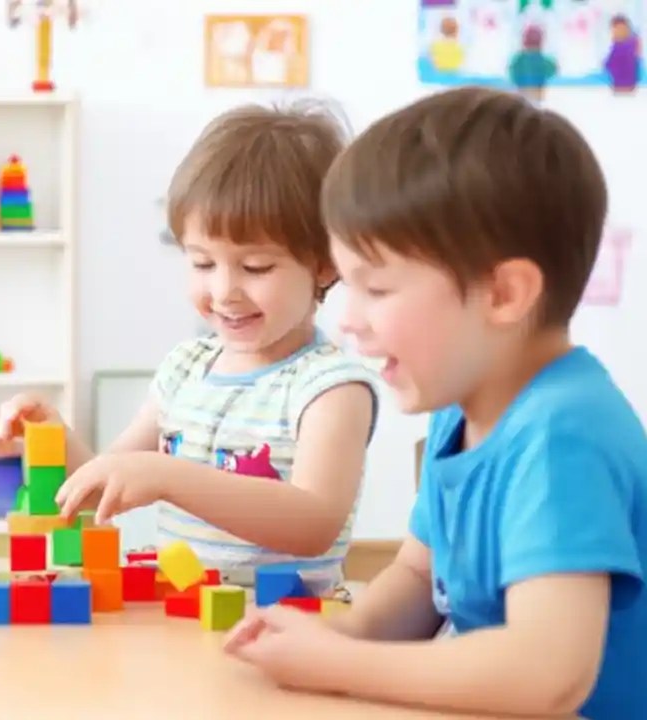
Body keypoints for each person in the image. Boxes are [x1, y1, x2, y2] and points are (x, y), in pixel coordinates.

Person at [224, 86, 647, 720]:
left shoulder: (563, 434)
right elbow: (420, 580)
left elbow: (548, 673)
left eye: (377, 288)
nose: (350, 324)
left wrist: (339, 664)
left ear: (503, 294)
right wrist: (336, 638)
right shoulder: (463, 407)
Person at [0, 103, 378, 589]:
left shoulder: (330, 388)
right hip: (184, 615)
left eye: (255, 267)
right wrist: (52, 436)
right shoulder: (185, 370)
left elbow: (315, 523)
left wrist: (168, 476)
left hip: (291, 628)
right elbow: (102, 484)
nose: (224, 291)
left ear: (324, 265)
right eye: (202, 263)